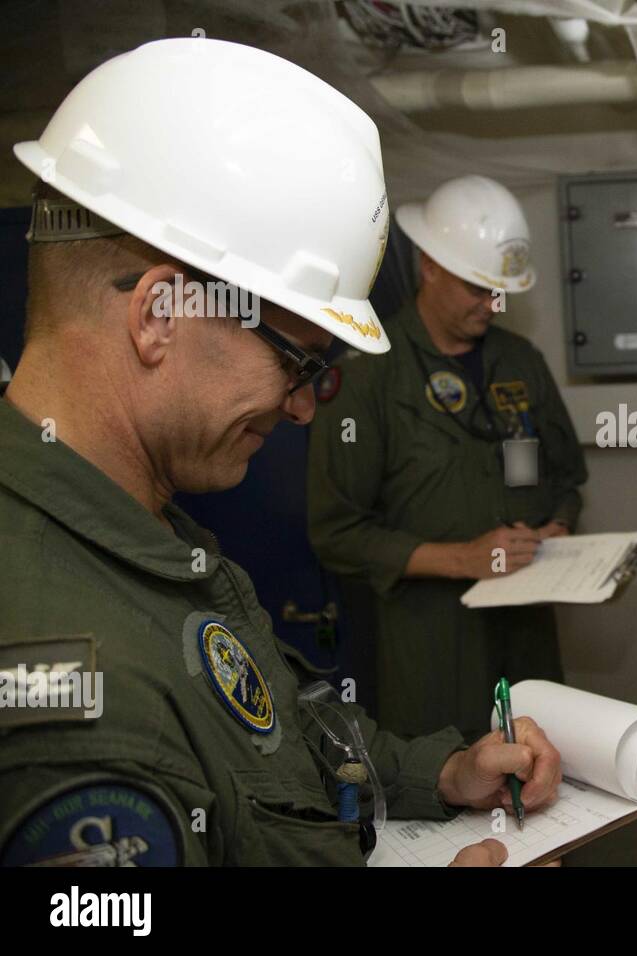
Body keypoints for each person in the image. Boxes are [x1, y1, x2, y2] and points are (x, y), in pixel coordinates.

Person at [0, 37, 559, 867]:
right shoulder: (81, 698)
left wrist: (438, 772)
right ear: (161, 316)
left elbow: (275, 735)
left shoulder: (138, 531)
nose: (302, 408)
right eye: (297, 363)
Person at [307, 176, 588, 740]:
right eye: (477, 288)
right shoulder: (369, 373)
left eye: (501, 292)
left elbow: (566, 477)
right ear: (429, 265)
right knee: (448, 789)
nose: (493, 305)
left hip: (526, 629)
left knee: (545, 773)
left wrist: (556, 524)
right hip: (432, 642)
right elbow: (337, 533)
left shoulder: (520, 360)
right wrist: (463, 558)